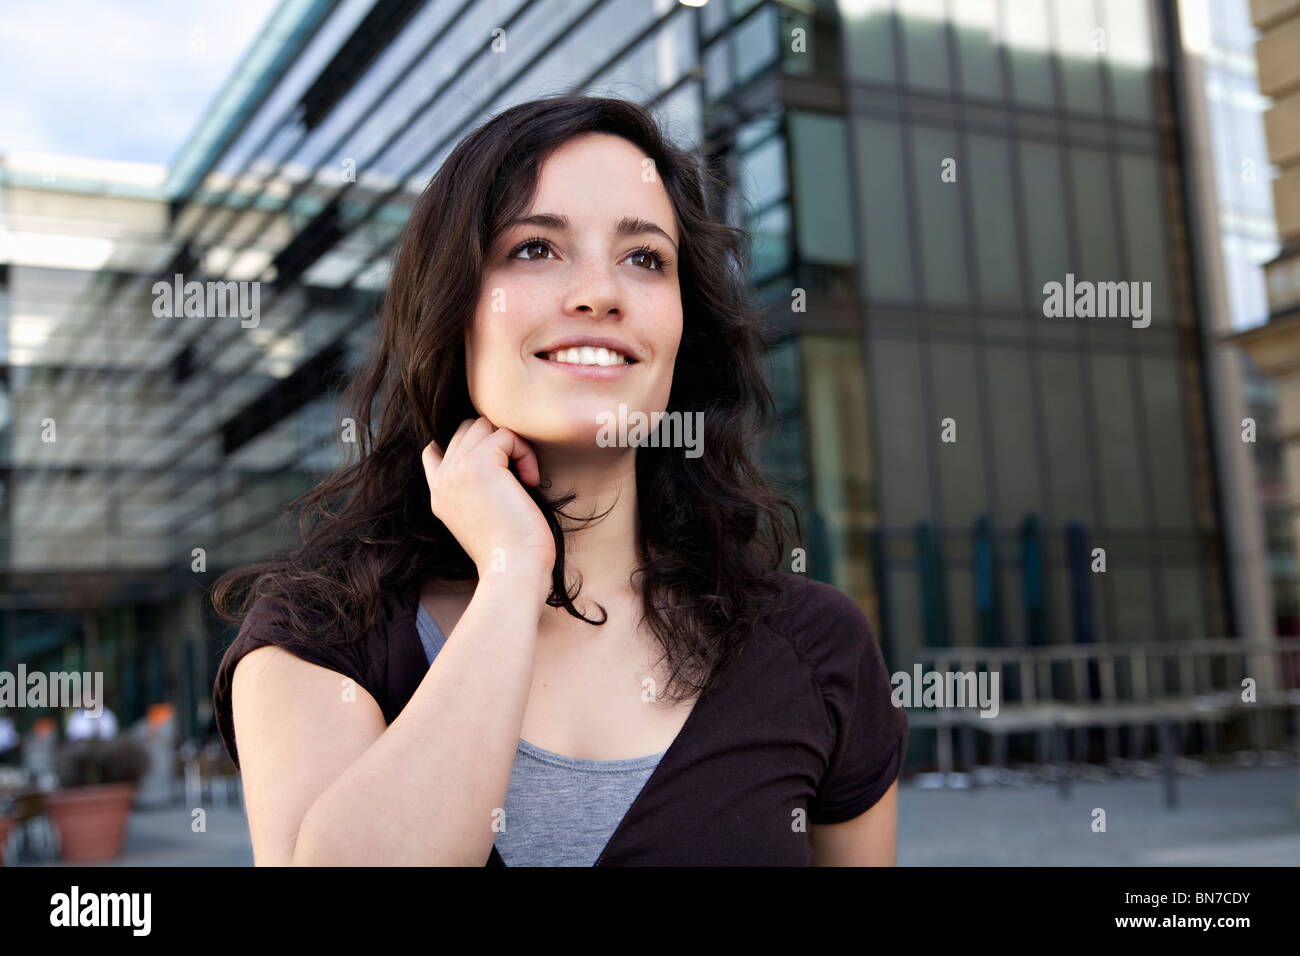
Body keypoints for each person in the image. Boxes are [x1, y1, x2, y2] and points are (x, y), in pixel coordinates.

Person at [210, 94, 907, 866]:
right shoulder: (321, 639)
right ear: (453, 305)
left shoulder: (816, 648)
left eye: (645, 258)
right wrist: (512, 573)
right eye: (536, 249)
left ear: (684, 326)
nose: (600, 293)